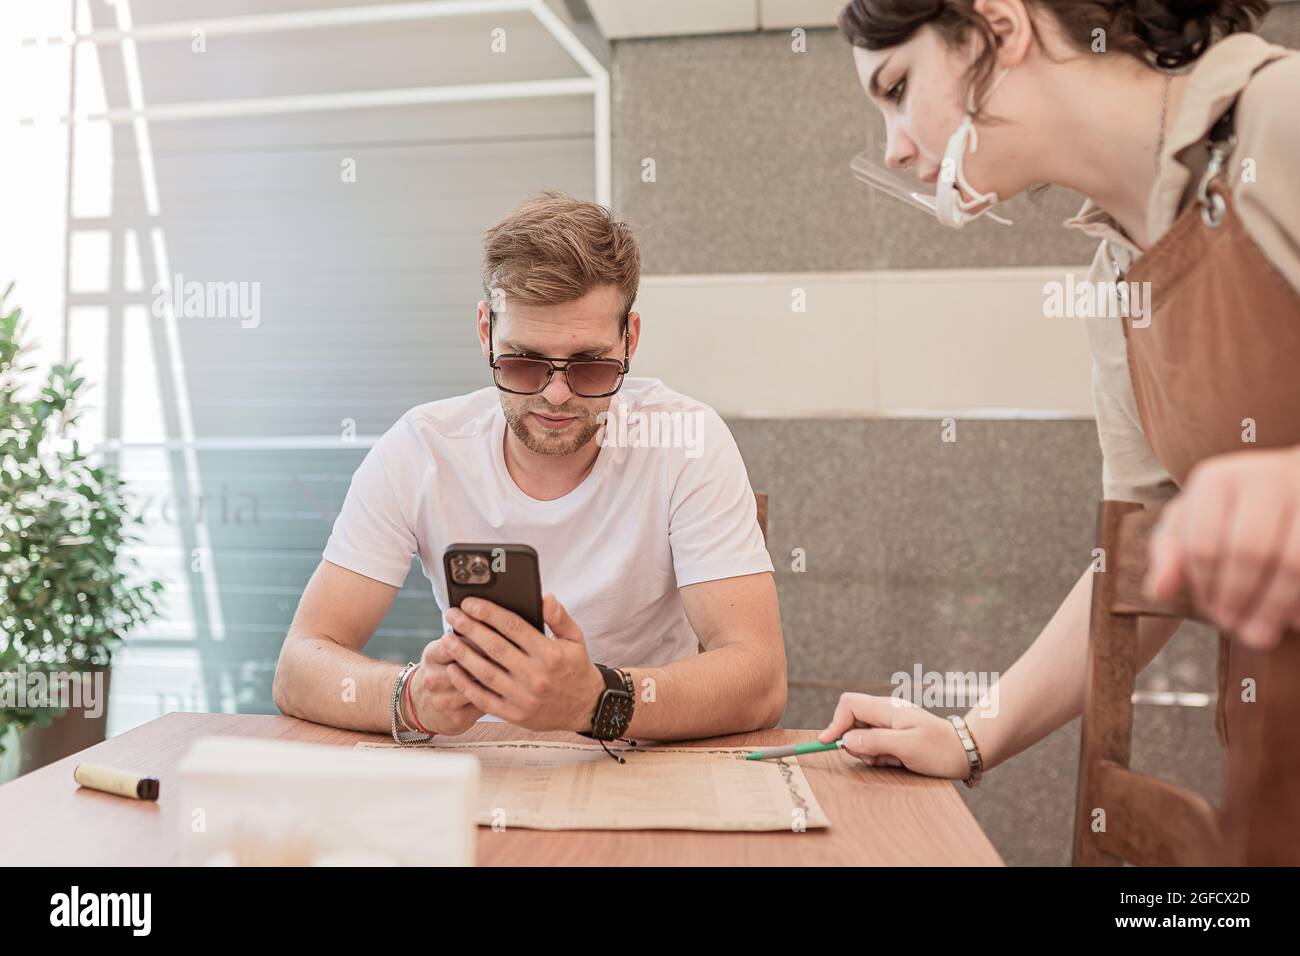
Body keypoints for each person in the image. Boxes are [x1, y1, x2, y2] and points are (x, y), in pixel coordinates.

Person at [819, 0, 1300, 815]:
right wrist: (971, 737)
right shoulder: (1114, 284)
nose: (896, 150)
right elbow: (1137, 570)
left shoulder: (1279, 120)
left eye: (898, 87)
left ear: (1000, 26)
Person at [273, 191, 786, 745]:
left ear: (629, 340)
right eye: (523, 363)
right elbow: (299, 666)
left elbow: (760, 680)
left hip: (646, 754)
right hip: (483, 765)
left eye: (590, 367)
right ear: (484, 332)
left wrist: (595, 701)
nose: (557, 394)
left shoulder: (687, 441)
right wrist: (412, 698)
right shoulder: (420, 450)